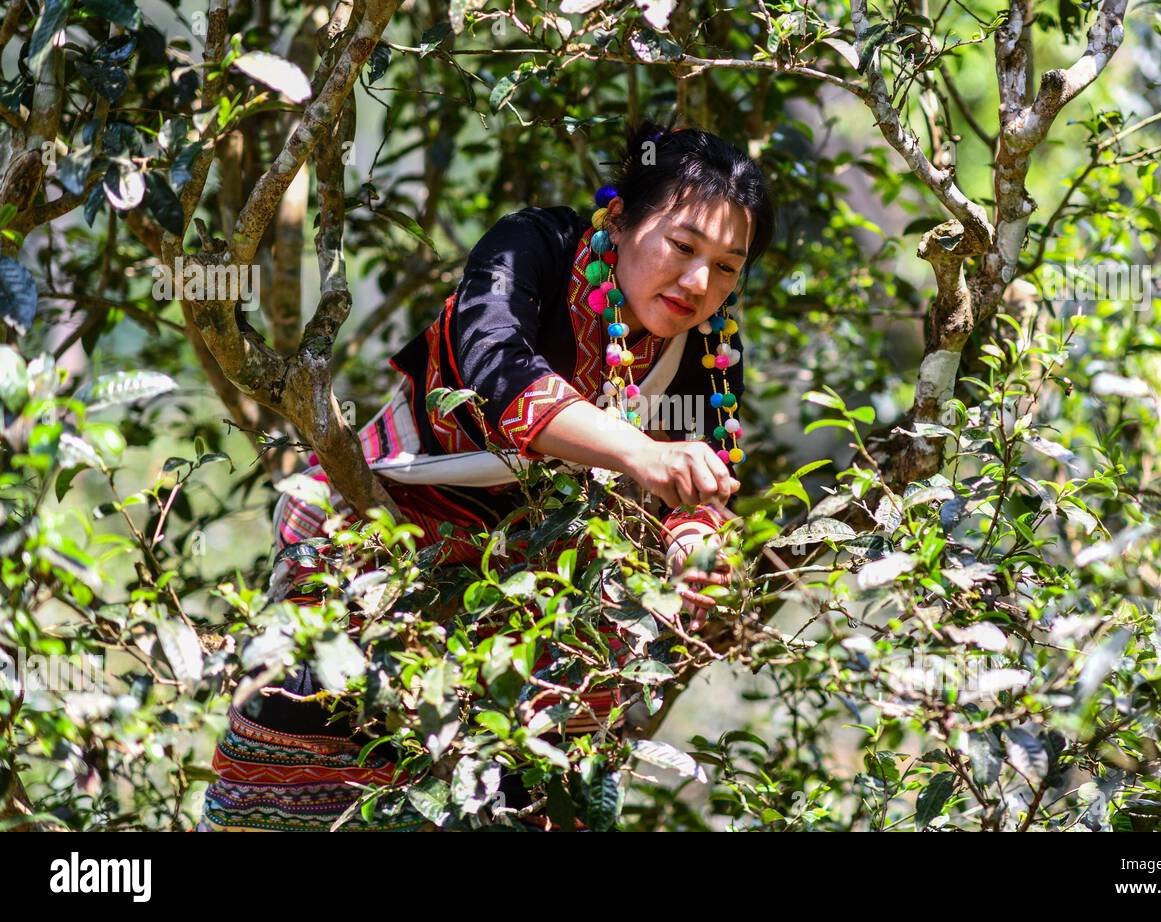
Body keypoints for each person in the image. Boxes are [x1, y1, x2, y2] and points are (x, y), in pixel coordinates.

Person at [196, 120, 776, 831]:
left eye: (726, 266)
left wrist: (692, 546)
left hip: (551, 584)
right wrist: (640, 453)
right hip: (386, 530)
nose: (699, 282)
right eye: (684, 247)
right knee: (311, 761)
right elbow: (497, 371)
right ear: (620, 219)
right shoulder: (534, 247)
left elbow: (698, 476)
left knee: (539, 794)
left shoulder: (710, 348)